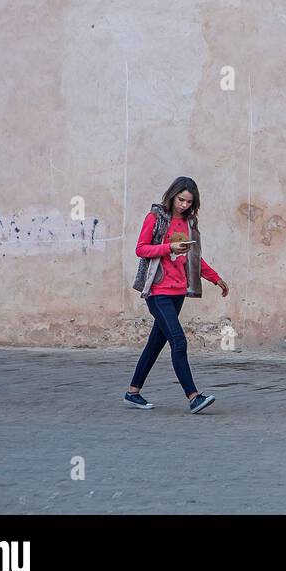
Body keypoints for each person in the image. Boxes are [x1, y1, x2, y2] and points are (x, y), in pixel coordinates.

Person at [124, 177, 231, 413]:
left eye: (188, 201)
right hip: (157, 291)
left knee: (155, 344)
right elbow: (141, 249)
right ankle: (193, 397)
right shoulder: (156, 218)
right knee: (178, 341)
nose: (183, 205)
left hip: (178, 291)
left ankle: (133, 392)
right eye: (180, 199)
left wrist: (216, 278)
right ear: (172, 195)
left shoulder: (188, 224)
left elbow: (193, 258)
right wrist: (168, 248)